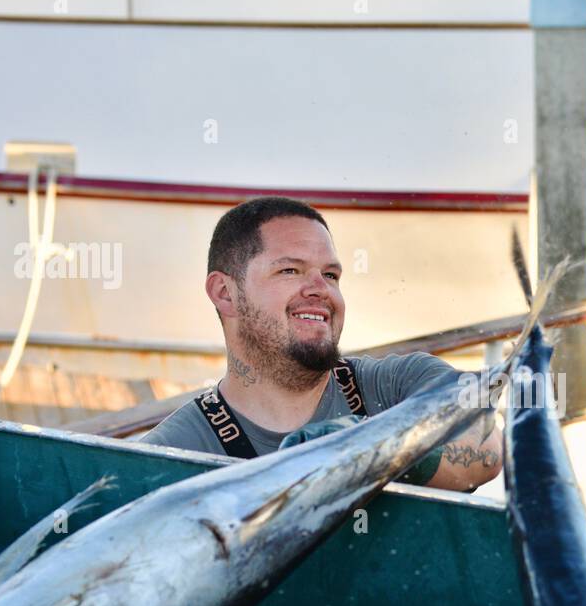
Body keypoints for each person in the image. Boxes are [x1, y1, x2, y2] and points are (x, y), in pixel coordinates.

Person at [141, 197, 501, 492]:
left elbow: (486, 446)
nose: (321, 289)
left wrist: (364, 450)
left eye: (330, 275)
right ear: (226, 293)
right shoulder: (173, 453)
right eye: (290, 271)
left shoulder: (397, 384)